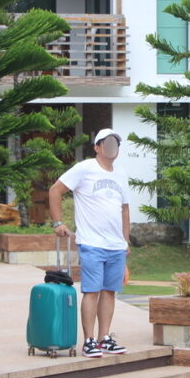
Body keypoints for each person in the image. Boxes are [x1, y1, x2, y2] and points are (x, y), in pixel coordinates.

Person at [48, 128, 130, 358]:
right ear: (97, 147)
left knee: (110, 291)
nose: (112, 147)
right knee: (92, 291)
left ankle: (104, 339)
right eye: (108, 143)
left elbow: (125, 209)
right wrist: (57, 223)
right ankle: (89, 341)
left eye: (116, 143)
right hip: (92, 243)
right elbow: (55, 190)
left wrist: (125, 240)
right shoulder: (84, 168)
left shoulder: (120, 174)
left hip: (116, 245)